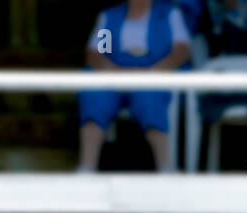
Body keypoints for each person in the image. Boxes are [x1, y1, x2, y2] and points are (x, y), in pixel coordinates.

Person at [78, 0, 192, 172]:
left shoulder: (168, 14)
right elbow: (97, 53)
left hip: (153, 75)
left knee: (149, 96)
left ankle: (165, 167)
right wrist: (113, 71)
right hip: (115, 75)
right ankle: (87, 167)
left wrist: (154, 72)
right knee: (95, 94)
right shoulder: (111, 17)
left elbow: (181, 51)